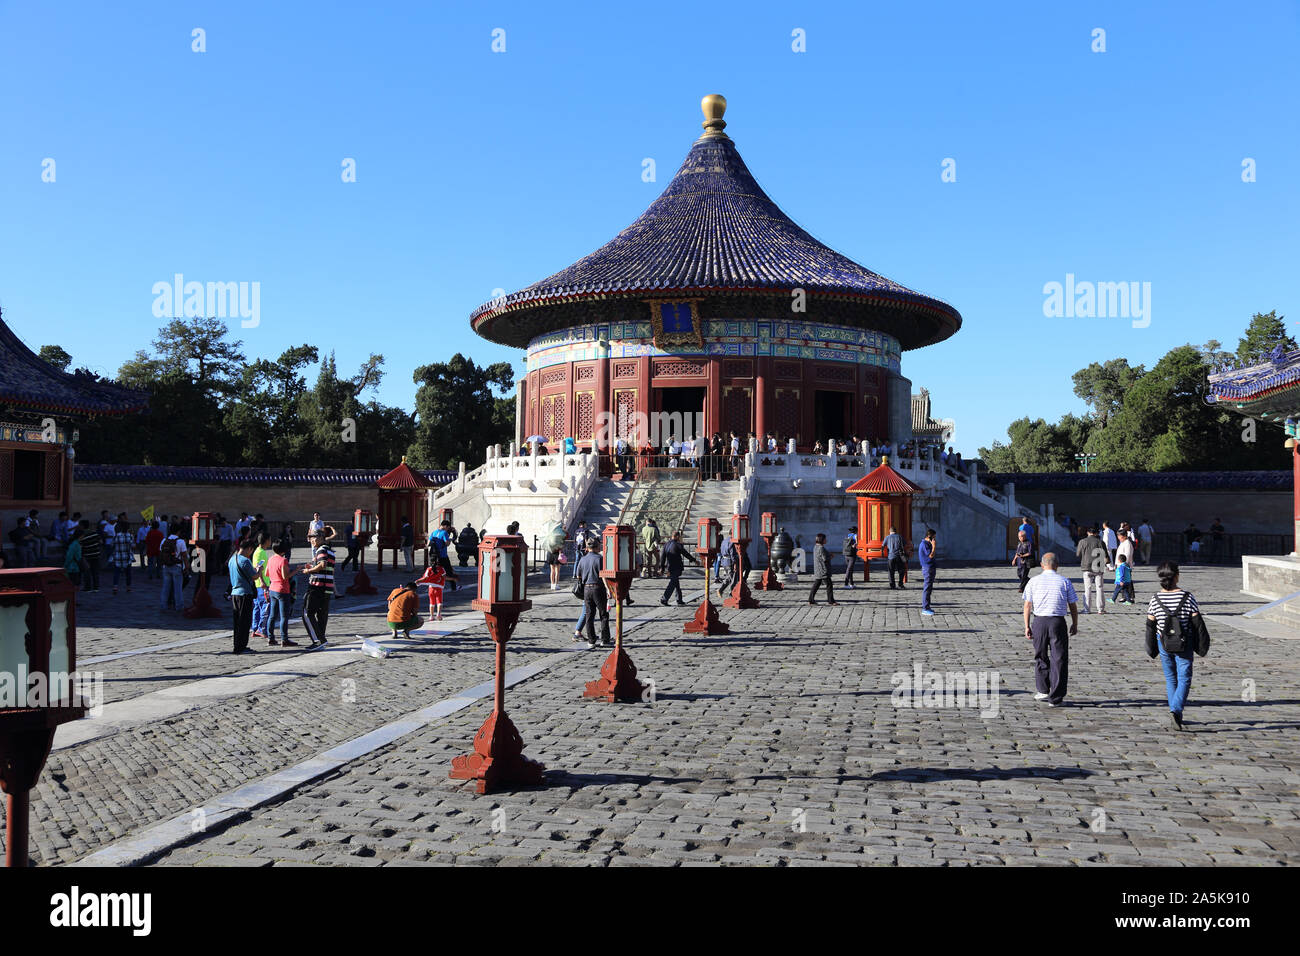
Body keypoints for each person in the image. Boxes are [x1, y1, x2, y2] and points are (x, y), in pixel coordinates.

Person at [1145, 561, 1210, 731]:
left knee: (1170, 678)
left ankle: (1175, 710)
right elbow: (1197, 622)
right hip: (1184, 643)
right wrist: (1202, 644)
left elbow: (1150, 624)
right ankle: (1176, 710)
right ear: (1177, 576)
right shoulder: (1187, 597)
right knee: (1184, 678)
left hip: (1163, 643)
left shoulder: (1155, 599)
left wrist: (1150, 647)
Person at [1022, 552, 1079, 708]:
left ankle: (1043, 689)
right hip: (1057, 622)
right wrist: (1075, 623)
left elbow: (1027, 605)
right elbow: (1072, 605)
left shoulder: (1033, 581)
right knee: (1059, 658)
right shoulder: (1065, 581)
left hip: (1039, 621)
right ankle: (1056, 696)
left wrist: (1027, 625)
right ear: (1057, 565)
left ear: (1042, 564)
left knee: (1040, 655)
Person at [299, 529, 335, 648]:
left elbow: (322, 564)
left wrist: (308, 570)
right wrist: (313, 566)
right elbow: (324, 566)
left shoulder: (321, 549)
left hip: (318, 586)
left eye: (313, 537)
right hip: (327, 587)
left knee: (307, 613)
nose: (311, 540)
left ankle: (318, 640)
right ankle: (321, 639)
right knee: (322, 615)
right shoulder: (329, 550)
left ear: (320, 537)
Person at [575, 539, 611, 648]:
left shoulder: (583, 559)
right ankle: (604, 639)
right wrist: (608, 588)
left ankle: (591, 640)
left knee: (589, 615)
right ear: (596, 547)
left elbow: (578, 576)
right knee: (603, 614)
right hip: (598, 588)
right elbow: (603, 575)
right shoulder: (600, 559)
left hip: (586, 589)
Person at [228, 538, 259, 654]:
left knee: (237, 621)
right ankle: (241, 646)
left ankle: (237, 644)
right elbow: (254, 577)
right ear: (249, 549)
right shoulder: (245, 561)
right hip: (245, 593)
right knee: (245, 622)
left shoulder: (232, 559)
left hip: (234, 593)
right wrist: (259, 570)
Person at [266, 540, 298, 646]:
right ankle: (284, 639)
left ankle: (270, 637)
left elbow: (267, 573)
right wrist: (297, 570)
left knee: (272, 615)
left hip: (272, 588)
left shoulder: (270, 559)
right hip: (282, 589)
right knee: (284, 616)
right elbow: (285, 576)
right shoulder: (283, 560)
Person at [659, 530, 697, 606]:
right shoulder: (677, 545)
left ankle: (679, 599)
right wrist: (694, 560)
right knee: (673, 583)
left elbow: (662, 557)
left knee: (676, 583)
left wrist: (662, 568)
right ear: (677, 536)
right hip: (676, 567)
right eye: (679, 537)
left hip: (669, 566)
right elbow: (685, 554)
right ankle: (664, 599)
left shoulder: (666, 544)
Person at [1075, 527, 1108, 614]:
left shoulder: (1082, 541)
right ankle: (1100, 609)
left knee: (1087, 589)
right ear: (1096, 533)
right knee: (1100, 588)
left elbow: (1078, 554)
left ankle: (1087, 609)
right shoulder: (1100, 542)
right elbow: (1106, 555)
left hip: (1086, 567)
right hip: (1098, 567)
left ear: (1088, 533)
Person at [251, 531, 273, 643]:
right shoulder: (260, 553)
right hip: (262, 584)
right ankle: (261, 628)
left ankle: (254, 628)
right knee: (265, 606)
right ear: (266, 541)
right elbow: (257, 568)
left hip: (258, 584)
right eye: (269, 539)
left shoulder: (258, 551)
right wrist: (263, 581)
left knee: (257, 607)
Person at [808, 533, 838, 606]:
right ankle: (831, 601)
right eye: (825, 539)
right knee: (829, 585)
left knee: (816, 585)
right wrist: (831, 556)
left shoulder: (815, 547)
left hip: (818, 569)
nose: (826, 540)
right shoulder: (821, 548)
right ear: (822, 540)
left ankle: (811, 600)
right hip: (823, 570)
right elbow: (825, 559)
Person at [158, 525, 183, 610]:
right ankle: (178, 606)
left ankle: (163, 605)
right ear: (178, 532)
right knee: (177, 589)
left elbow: (161, 552)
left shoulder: (164, 540)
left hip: (166, 566)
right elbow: (185, 555)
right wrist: (187, 566)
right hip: (177, 566)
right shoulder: (180, 541)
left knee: (165, 587)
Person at [110, 520, 134, 594]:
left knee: (116, 573)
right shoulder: (130, 536)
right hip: (127, 557)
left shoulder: (117, 535)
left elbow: (111, 545)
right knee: (128, 573)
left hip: (118, 557)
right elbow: (133, 546)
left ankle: (115, 587)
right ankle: (128, 588)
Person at [79, 520, 103, 592]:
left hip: (87, 556)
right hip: (96, 554)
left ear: (82, 526)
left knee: (87, 572)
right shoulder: (94, 533)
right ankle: (96, 588)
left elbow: (80, 546)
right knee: (95, 572)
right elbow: (101, 542)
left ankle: (88, 588)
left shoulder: (82, 536)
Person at [919, 529, 937, 615]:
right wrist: (934, 546)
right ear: (929, 537)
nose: (934, 540)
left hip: (930, 567)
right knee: (927, 588)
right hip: (927, 568)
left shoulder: (927, 544)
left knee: (929, 588)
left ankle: (927, 606)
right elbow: (930, 555)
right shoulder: (925, 544)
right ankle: (925, 608)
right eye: (933, 537)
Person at [1012, 529, 1033, 595]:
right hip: (1019, 562)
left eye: (1021, 536)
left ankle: (1021, 588)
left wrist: (1023, 555)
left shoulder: (1029, 543)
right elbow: (1017, 552)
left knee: (1024, 575)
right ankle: (1029, 580)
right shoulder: (1019, 543)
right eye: (1019, 536)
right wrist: (1014, 559)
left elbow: (1030, 553)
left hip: (1026, 562)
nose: (1020, 538)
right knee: (1019, 574)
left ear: (1024, 536)